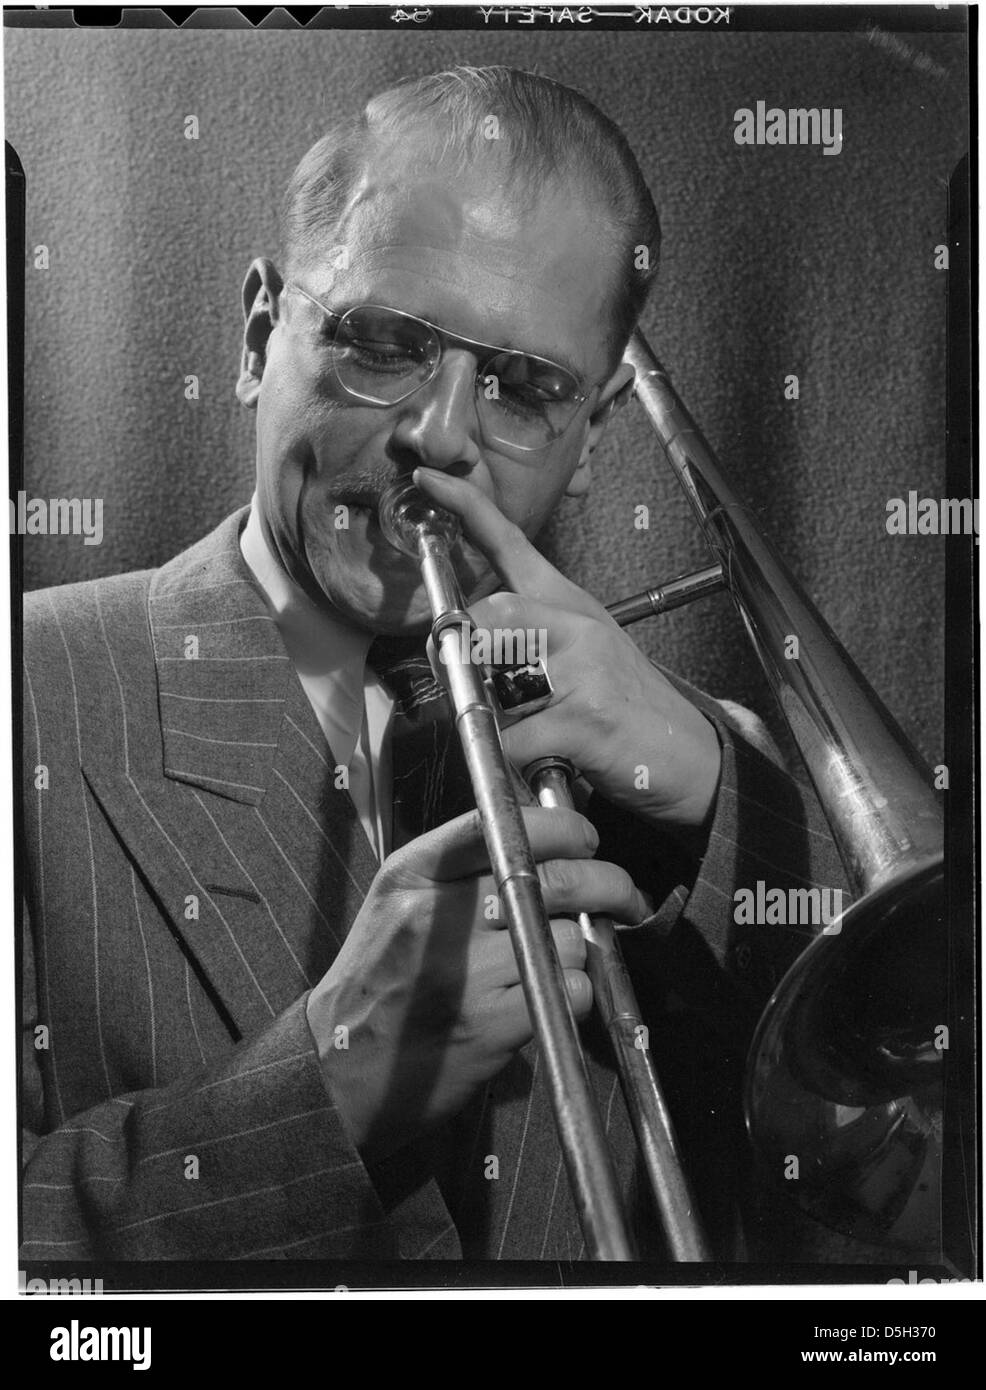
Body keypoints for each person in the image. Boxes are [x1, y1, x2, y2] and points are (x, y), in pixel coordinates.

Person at [20, 66, 847, 1266]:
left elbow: (913, 1153)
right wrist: (323, 1090)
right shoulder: (28, 694)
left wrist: (715, 785)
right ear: (260, 336)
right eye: (387, 343)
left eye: (523, 388)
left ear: (592, 429)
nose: (442, 433)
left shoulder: (713, 772)